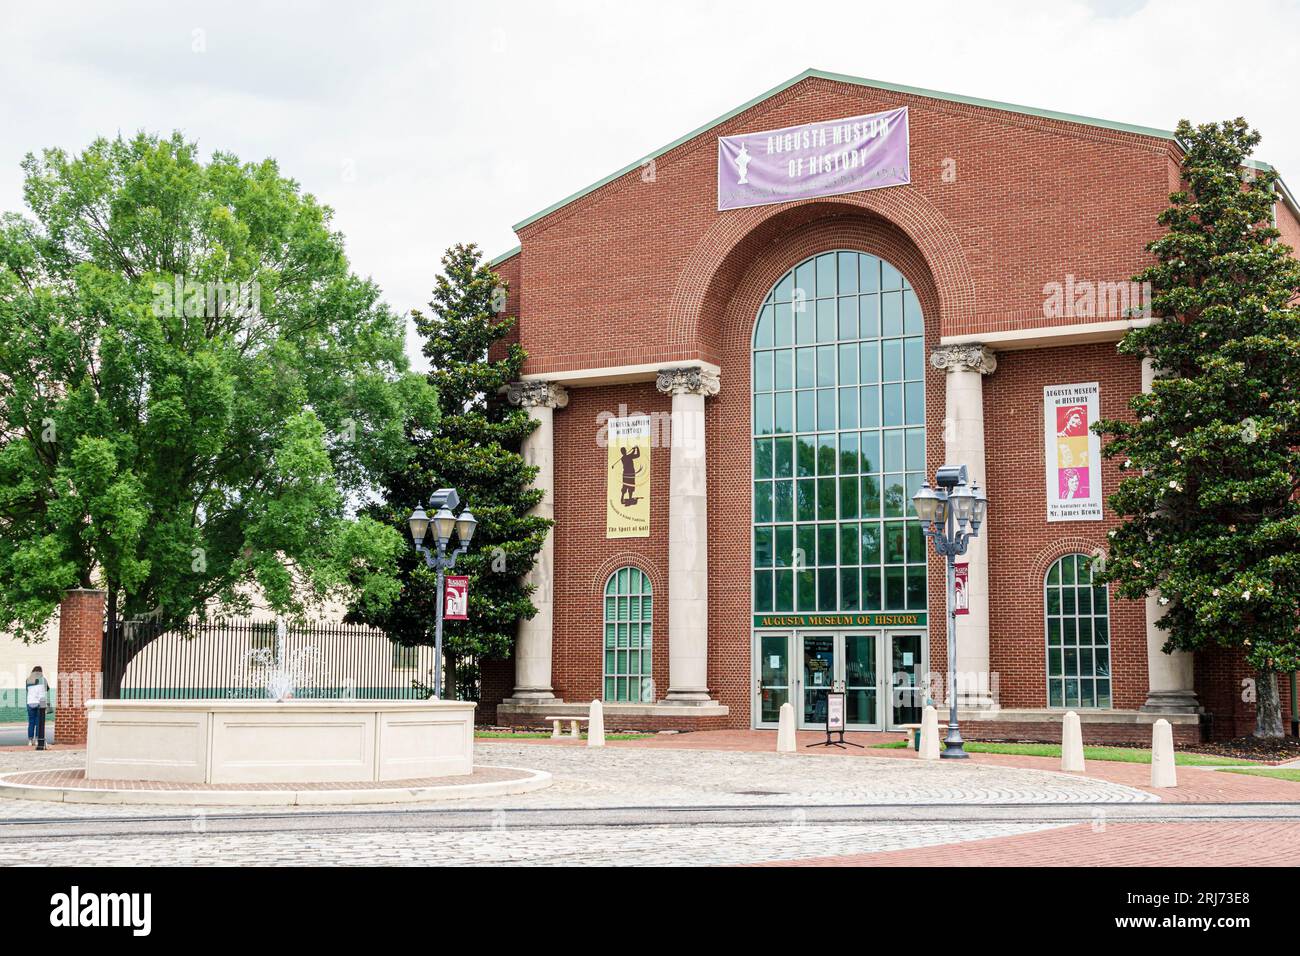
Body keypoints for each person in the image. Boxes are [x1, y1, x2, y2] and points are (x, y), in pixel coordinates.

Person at [25, 667, 49, 748]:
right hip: (40, 702)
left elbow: (27, 690)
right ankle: (37, 739)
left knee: (31, 722)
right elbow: (47, 689)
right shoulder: (43, 679)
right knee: (39, 722)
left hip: (30, 702)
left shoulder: (28, 680)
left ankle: (30, 740)